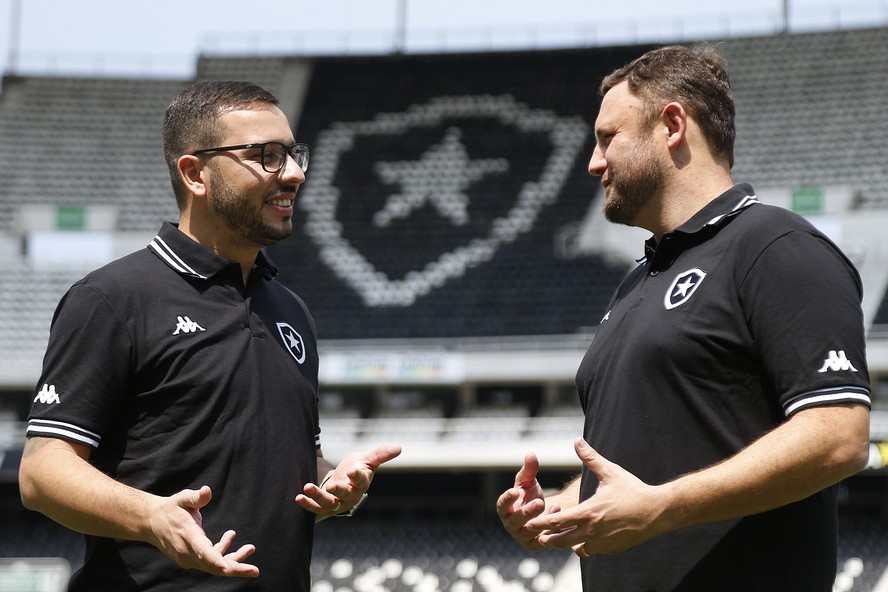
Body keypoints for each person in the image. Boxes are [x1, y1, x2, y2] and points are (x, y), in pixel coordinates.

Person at [496, 45, 871, 591]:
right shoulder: (636, 281)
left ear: (672, 124)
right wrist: (557, 511)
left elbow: (839, 437)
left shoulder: (777, 247)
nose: (593, 162)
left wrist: (663, 507)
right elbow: (650, 467)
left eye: (607, 139)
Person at [19, 80, 401, 591]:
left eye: (292, 153)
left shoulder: (291, 310)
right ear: (196, 173)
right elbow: (42, 473)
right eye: (265, 156)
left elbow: (288, 460)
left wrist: (332, 483)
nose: (294, 173)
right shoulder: (113, 299)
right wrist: (152, 516)